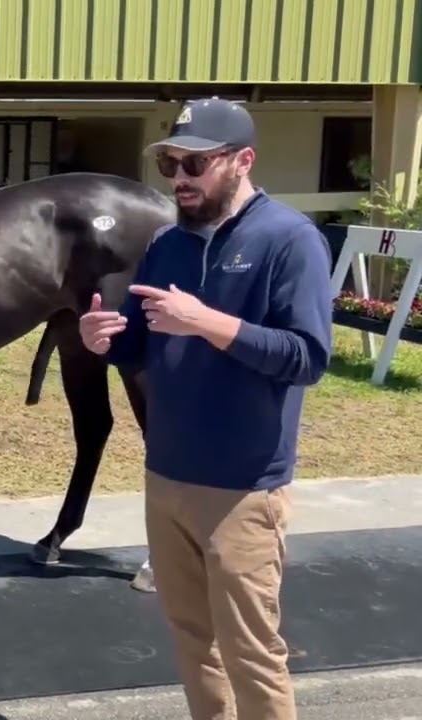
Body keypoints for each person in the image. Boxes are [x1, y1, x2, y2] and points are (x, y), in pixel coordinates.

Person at [79, 97, 333, 720]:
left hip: (243, 487)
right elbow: (141, 345)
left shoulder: (289, 240)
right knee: (193, 642)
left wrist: (210, 322)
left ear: (242, 161)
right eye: (170, 163)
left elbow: (307, 357)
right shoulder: (168, 244)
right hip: (166, 476)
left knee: (252, 651)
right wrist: (104, 341)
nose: (179, 179)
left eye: (196, 165)